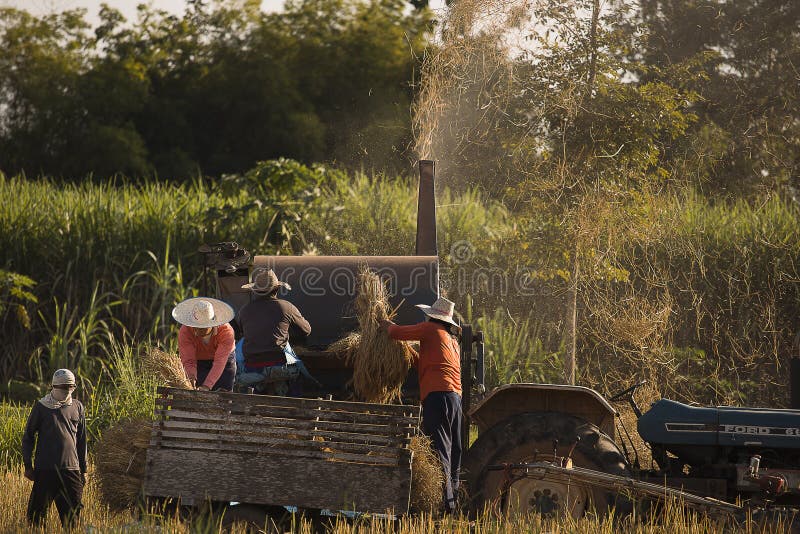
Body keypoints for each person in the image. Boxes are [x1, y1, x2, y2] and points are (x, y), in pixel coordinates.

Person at [383, 297, 462, 514]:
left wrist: (384, 323)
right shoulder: (451, 340)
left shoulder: (429, 329)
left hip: (437, 397)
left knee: (440, 449)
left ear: (433, 316)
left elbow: (395, 333)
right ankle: (454, 500)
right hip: (455, 398)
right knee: (454, 449)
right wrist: (408, 352)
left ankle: (445, 505)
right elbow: (426, 364)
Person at [22, 368, 87, 529]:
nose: (67, 390)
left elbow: (82, 440)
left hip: (71, 471)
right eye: (64, 387)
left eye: (70, 387)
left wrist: (84, 469)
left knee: (72, 520)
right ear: (54, 386)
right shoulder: (41, 407)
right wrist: (28, 466)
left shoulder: (77, 407)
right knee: (36, 518)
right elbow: (28, 437)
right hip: (45, 470)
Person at [236, 268, 313, 395]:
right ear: (276, 289)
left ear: (255, 291)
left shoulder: (244, 311)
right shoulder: (287, 307)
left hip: (252, 367)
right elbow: (306, 330)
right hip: (280, 364)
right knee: (301, 378)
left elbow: (238, 331)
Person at [172, 297, 237, 391]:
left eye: (202, 327)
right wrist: (191, 378)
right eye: (195, 326)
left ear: (212, 324)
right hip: (199, 361)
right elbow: (189, 360)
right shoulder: (185, 331)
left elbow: (219, 362)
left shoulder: (226, 332)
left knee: (223, 397)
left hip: (224, 363)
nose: (197, 331)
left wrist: (207, 386)